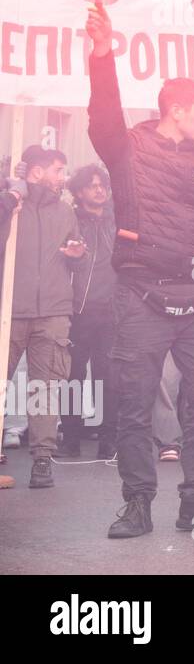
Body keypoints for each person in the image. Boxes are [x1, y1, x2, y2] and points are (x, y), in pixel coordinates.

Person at [85, 3, 194, 538]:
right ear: (176, 110)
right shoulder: (127, 147)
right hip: (140, 294)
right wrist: (103, 55)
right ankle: (137, 504)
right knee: (134, 401)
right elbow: (103, 113)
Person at [1, 146, 86, 488]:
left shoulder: (66, 211)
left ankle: (42, 459)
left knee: (45, 387)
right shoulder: (10, 204)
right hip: (9, 308)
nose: (63, 177)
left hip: (52, 311)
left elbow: (75, 252)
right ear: (37, 172)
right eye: (58, 169)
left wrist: (77, 254)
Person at [57, 164, 118, 461]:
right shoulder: (69, 219)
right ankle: (71, 437)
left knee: (109, 375)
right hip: (77, 309)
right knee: (73, 375)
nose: (99, 189)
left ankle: (109, 438)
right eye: (92, 185)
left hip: (112, 309)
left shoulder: (115, 220)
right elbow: (63, 261)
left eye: (102, 184)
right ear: (79, 191)